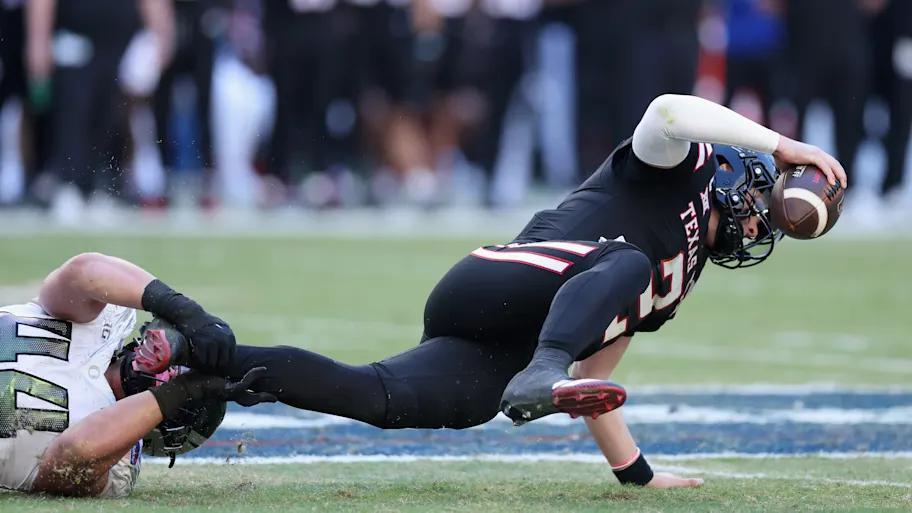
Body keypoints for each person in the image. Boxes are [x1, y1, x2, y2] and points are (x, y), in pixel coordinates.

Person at [221, 94, 846, 488]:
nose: (758, 229)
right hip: (490, 282)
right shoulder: (683, 167)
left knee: (377, 395)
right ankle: (541, 370)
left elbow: (595, 376)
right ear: (741, 176)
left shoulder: (682, 279)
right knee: (624, 261)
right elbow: (666, 111)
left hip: (510, 349)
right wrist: (783, 143)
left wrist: (637, 475)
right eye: (761, 211)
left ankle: (204, 364)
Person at [0, 252, 265, 497]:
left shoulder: (116, 462)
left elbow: (68, 459)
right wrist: (184, 310)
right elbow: (81, 271)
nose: (169, 370)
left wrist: (179, 392)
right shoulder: (102, 319)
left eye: (179, 376)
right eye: (177, 364)